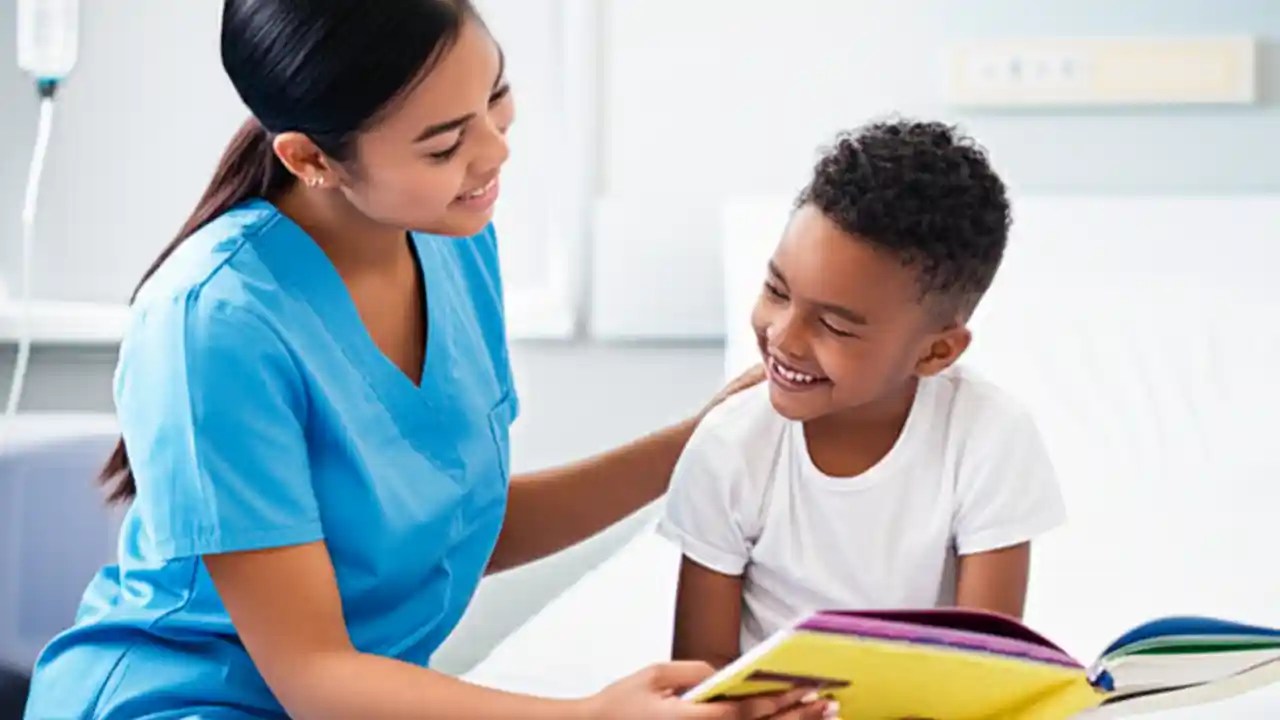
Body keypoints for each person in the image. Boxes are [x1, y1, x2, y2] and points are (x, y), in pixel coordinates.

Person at [22, 2, 834, 719]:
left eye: (494, 97)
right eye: (445, 144)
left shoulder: (452, 237)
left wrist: (700, 439)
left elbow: (454, 529)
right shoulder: (214, 324)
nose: (492, 154)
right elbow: (314, 677)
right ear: (312, 160)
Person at [658, 119, 1068, 669]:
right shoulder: (731, 446)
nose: (784, 337)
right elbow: (698, 681)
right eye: (777, 291)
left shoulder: (989, 438)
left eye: (836, 327)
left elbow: (987, 670)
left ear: (935, 353)